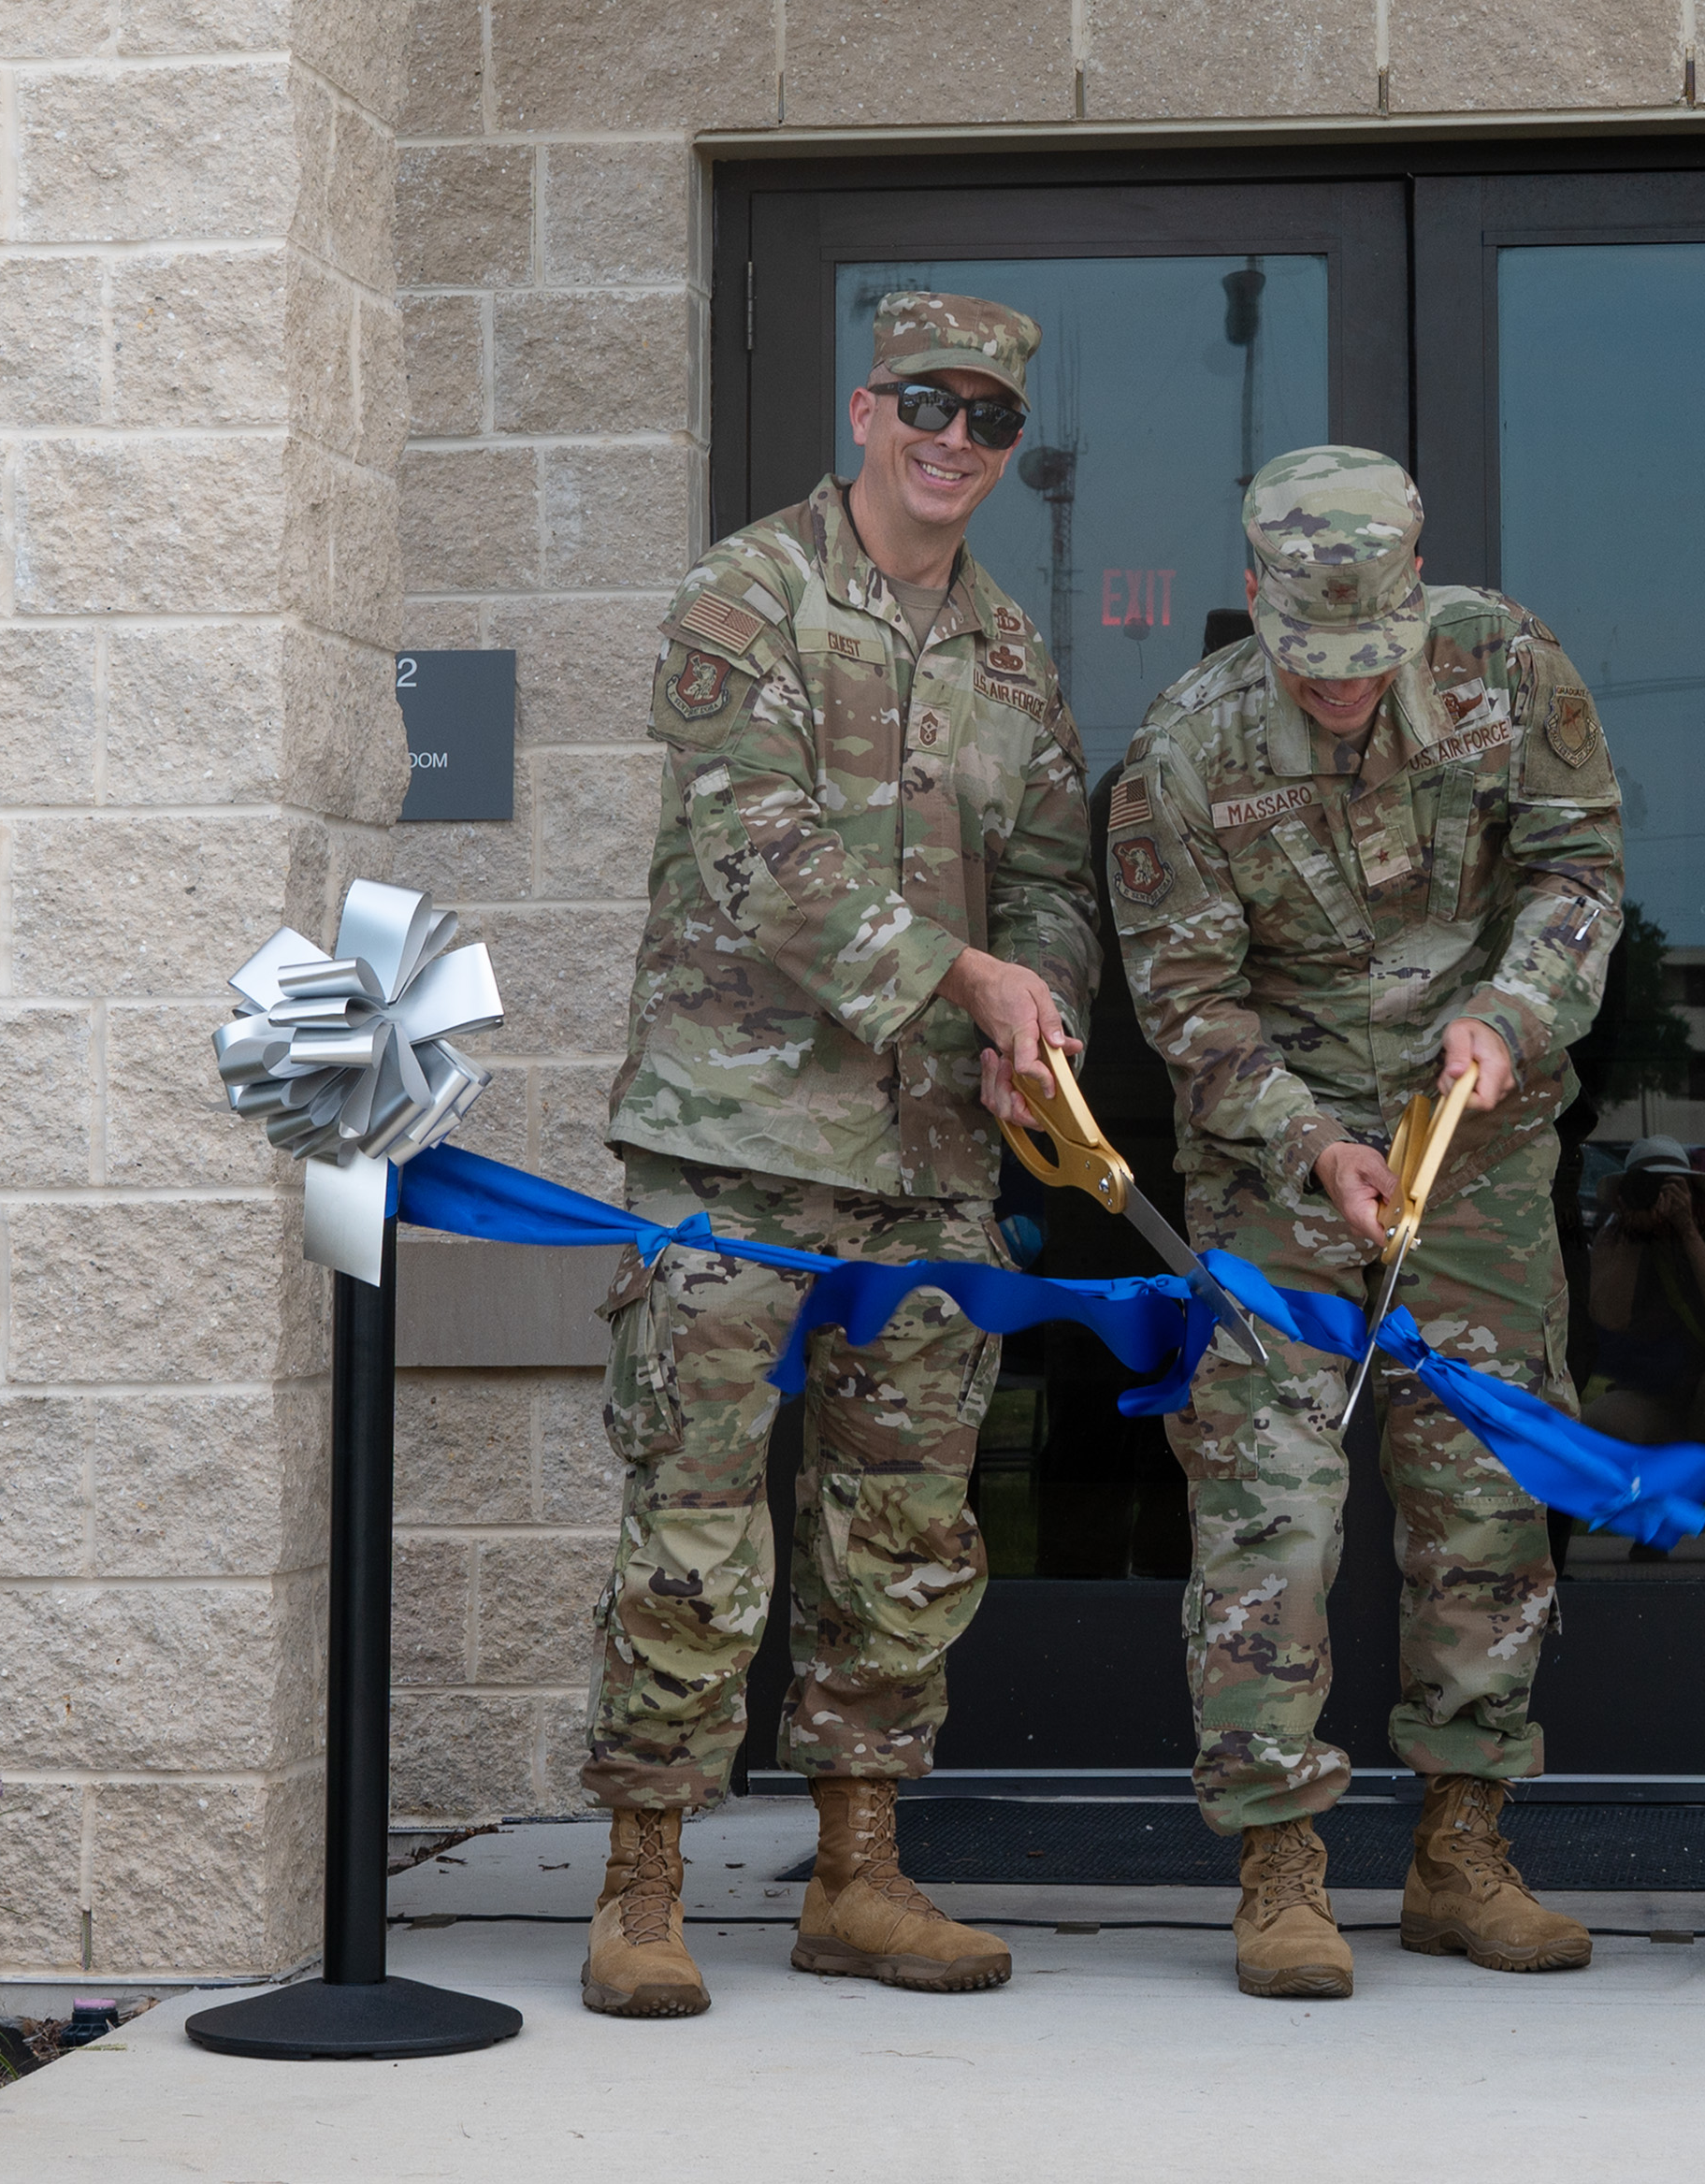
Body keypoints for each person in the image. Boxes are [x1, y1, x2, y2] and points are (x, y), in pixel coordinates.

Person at [579, 292, 1101, 2018]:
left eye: (992, 424)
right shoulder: (746, 598)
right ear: (868, 410)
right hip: (736, 1136)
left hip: (938, 1155)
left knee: (906, 1524)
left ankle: (857, 1871)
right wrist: (966, 977)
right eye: (929, 409)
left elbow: (1048, 885)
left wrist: (1049, 1040)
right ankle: (643, 1878)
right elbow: (758, 853)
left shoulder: (1017, 654)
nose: (957, 443)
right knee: (696, 1510)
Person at [1108, 445, 1623, 2000]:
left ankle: (1463, 1851)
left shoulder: (1510, 667)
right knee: (1274, 1511)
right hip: (1281, 1173)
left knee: (1486, 1499)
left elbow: (1578, 865)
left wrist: (1518, 1010)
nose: (1342, 694)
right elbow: (1186, 1005)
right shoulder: (1181, 756)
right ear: (1257, 597)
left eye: (1367, 667)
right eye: (1310, 670)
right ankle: (1279, 1866)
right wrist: (1316, 1141)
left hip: (1482, 1155)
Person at [1582, 1136, 1705, 1562]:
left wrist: (1686, 1233)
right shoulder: (1614, 1241)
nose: (1658, 1196)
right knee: (1601, 1421)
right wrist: (1631, 1235)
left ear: (1690, 1190)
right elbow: (1610, 1316)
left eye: (1670, 1187)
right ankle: (1651, 1521)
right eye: (1647, 1186)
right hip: (1650, 1396)